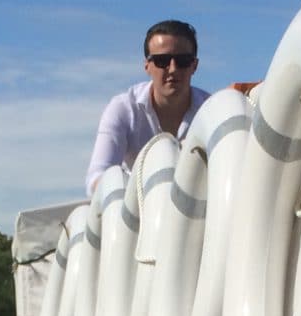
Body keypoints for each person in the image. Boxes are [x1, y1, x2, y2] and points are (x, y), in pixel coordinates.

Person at [85, 20, 209, 195]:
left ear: (194, 66)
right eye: (162, 61)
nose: (173, 69)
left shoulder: (211, 111)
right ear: (147, 66)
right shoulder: (124, 109)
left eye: (182, 61)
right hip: (136, 214)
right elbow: (97, 178)